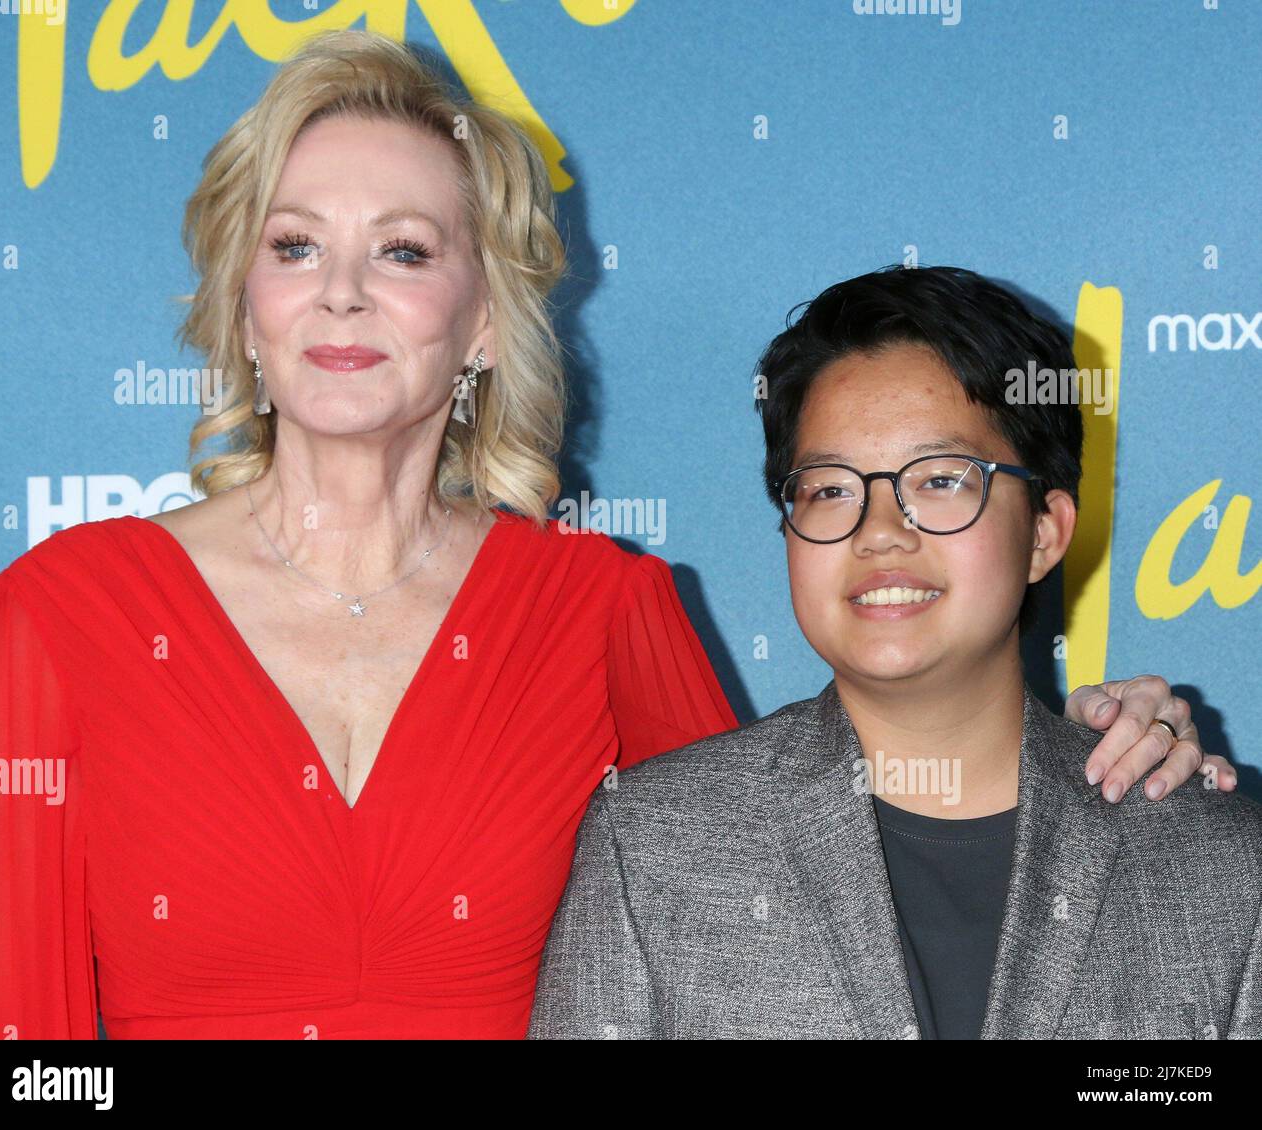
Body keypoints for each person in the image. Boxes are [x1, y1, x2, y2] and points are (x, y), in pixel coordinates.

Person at [0, 29, 1228, 1041]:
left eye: (402, 249)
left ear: (484, 326)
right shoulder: (56, 615)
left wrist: (1090, 757)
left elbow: (788, 897)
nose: (341, 290)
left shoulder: (597, 608)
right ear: (246, 306)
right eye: (295, 246)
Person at [526, 266, 1262, 1040]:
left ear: (1045, 532)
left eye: (942, 479)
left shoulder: (1215, 868)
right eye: (832, 489)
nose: (880, 530)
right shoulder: (654, 844)